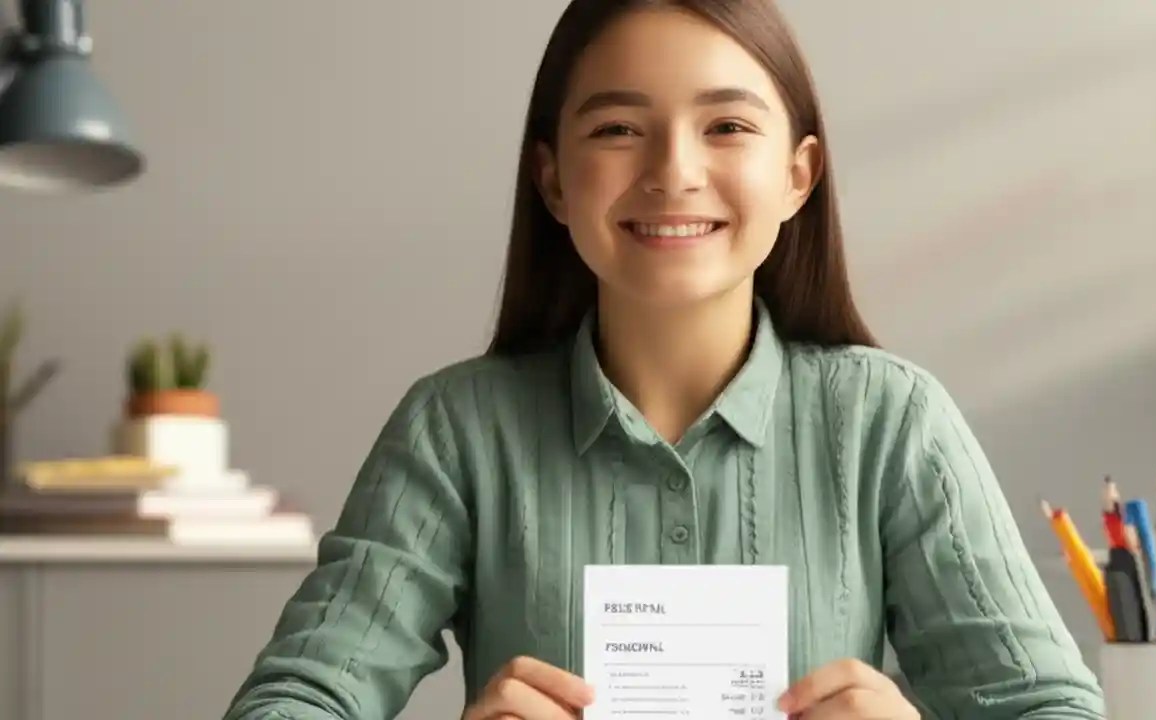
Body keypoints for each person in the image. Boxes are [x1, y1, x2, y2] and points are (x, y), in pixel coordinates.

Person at [223, 1, 1107, 718]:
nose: (674, 171)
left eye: (726, 125)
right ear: (553, 179)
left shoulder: (891, 424)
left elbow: (1054, 708)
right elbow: (290, 702)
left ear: (799, 176)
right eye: (617, 128)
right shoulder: (457, 430)